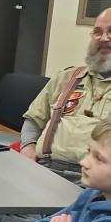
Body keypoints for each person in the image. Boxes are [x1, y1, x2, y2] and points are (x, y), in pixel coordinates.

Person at [19, 10, 111, 165]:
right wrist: (28, 148)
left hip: (97, 182)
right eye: (97, 32)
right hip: (45, 167)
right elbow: (34, 119)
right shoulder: (67, 77)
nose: (103, 38)